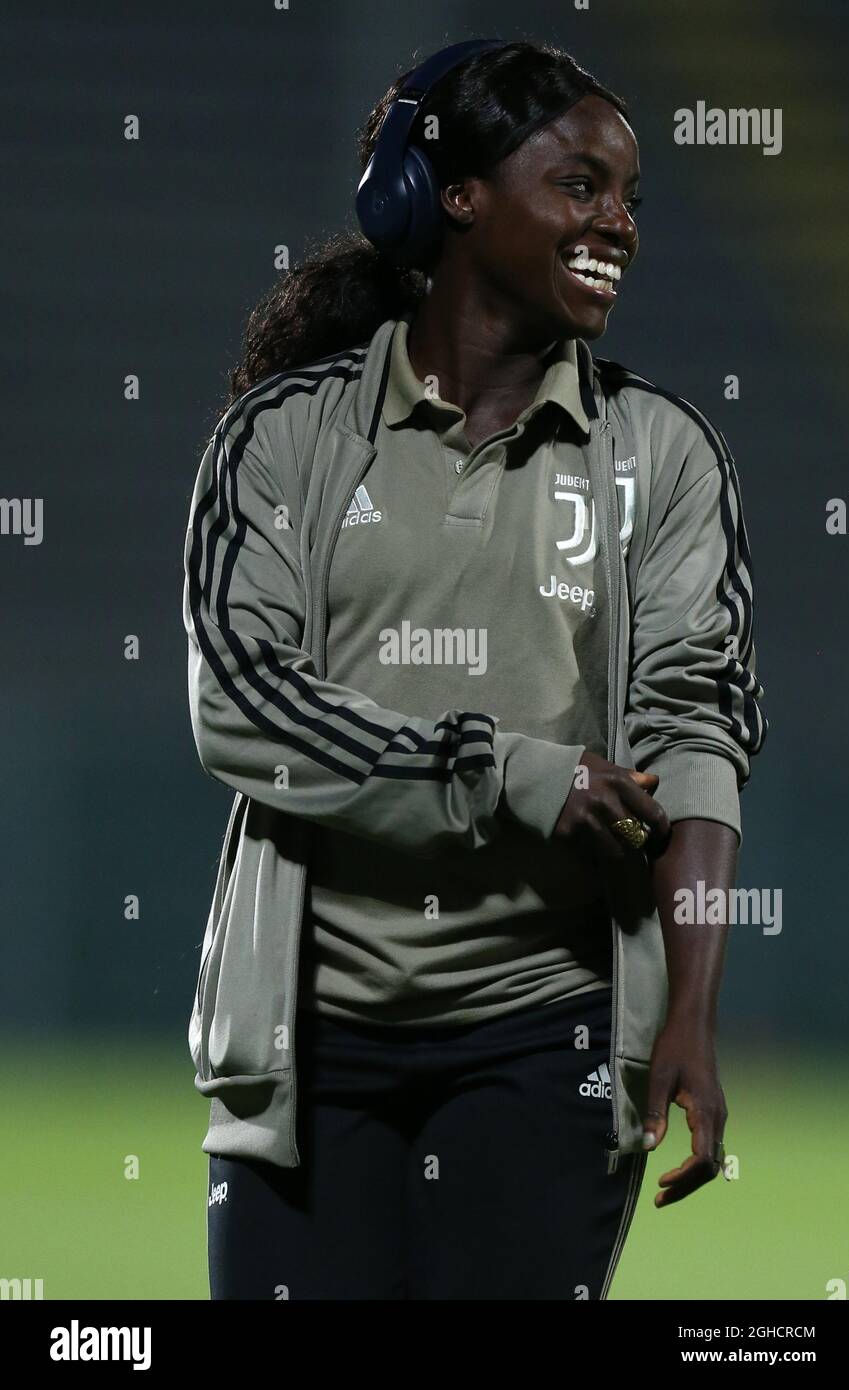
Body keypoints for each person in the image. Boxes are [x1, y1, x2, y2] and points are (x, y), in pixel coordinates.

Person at [183, 38, 767, 1300]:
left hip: (542, 1037)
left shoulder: (663, 455)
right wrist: (500, 770)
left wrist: (690, 1011)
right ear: (452, 196)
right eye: (578, 186)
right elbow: (241, 699)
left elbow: (696, 734)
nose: (615, 221)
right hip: (308, 1043)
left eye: (629, 198)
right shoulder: (282, 436)